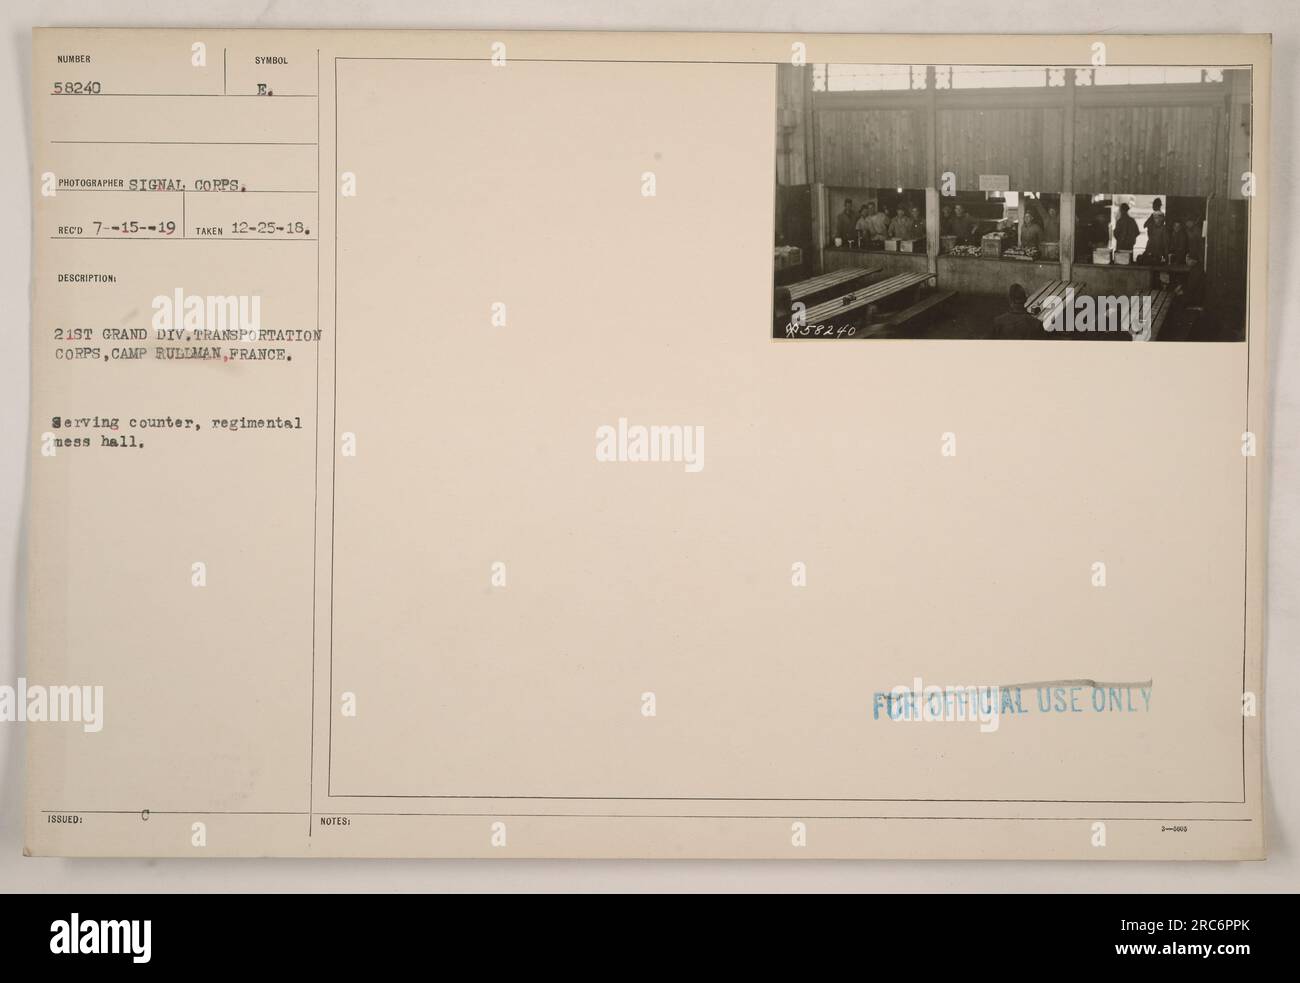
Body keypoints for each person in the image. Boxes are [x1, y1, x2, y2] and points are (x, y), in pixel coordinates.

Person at [1143, 197, 1169, 264]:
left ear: (1156, 205)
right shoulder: (1161, 217)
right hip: (1154, 243)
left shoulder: (1154, 215)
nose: (1152, 207)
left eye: (1153, 205)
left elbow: (1145, 225)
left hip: (1155, 244)